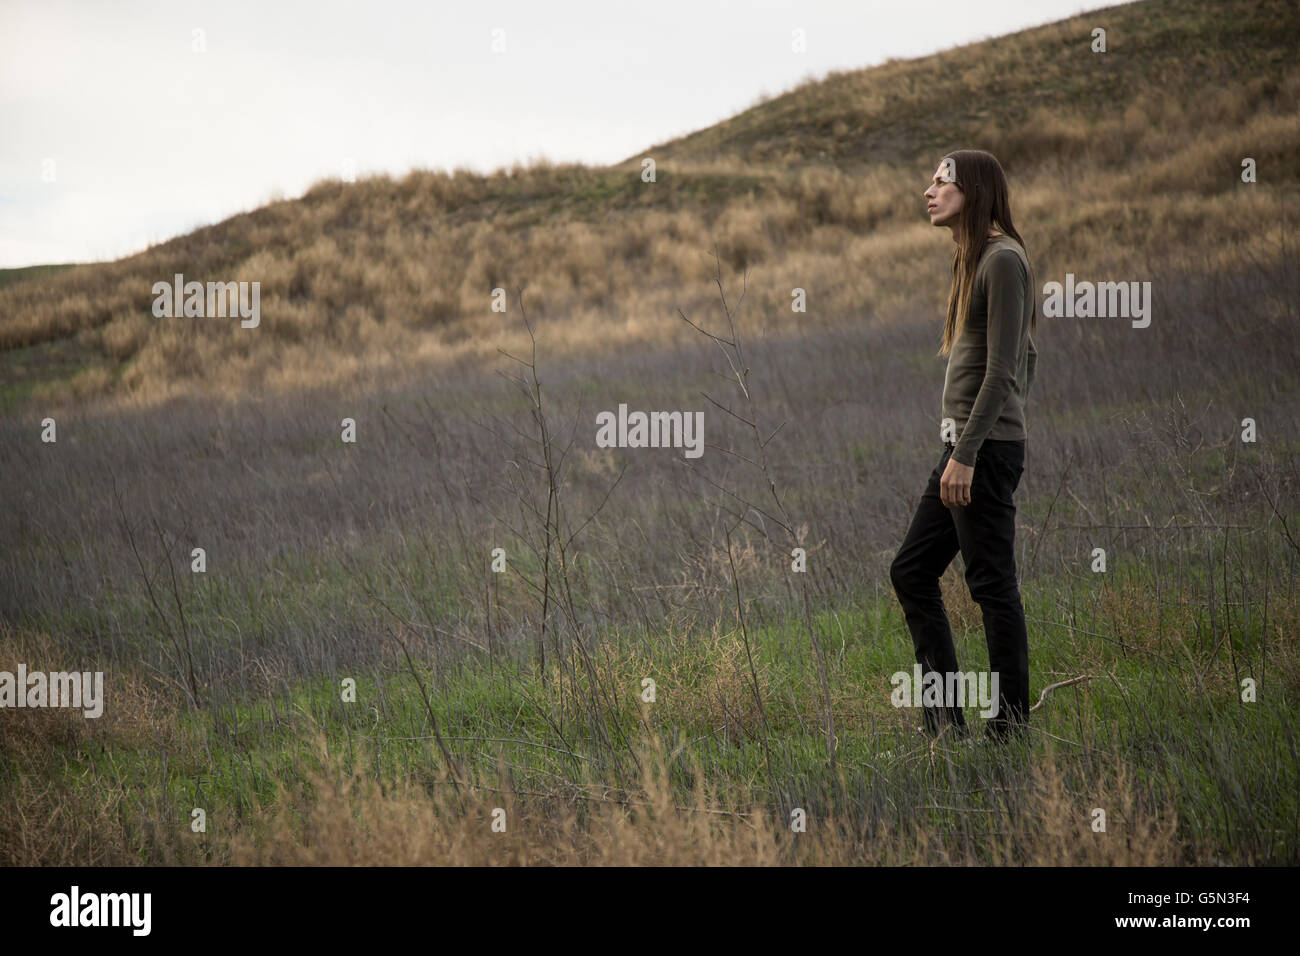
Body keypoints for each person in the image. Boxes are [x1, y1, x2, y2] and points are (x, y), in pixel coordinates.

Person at [889, 149, 1038, 743]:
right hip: (964, 449)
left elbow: (1006, 368)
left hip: (982, 452)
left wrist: (968, 454)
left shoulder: (1003, 259)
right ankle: (945, 721)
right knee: (912, 571)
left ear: (972, 191)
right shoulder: (971, 260)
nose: (929, 190)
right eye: (929, 180)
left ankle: (1009, 730)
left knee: (991, 585)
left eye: (942, 181)